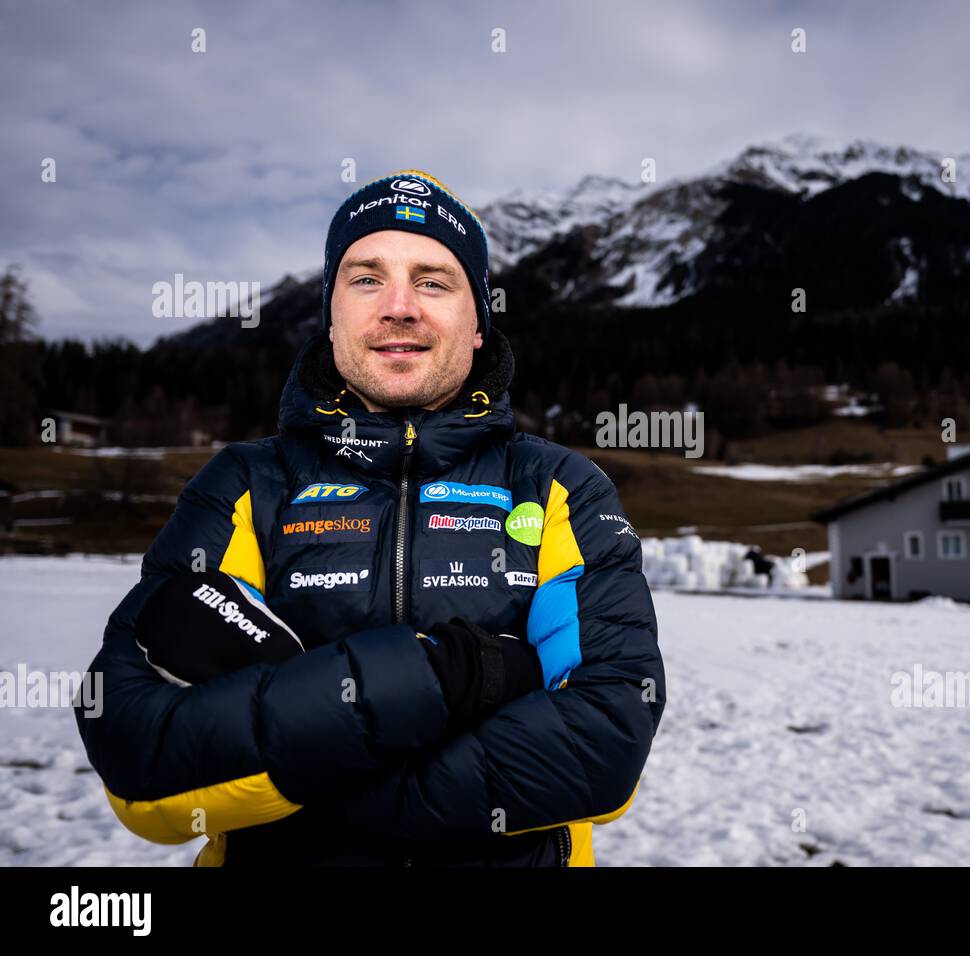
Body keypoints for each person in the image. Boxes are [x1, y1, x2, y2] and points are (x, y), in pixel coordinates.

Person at [74, 169, 667, 867]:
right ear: (330, 321)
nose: (399, 307)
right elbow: (146, 759)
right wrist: (445, 677)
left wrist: (325, 758)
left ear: (478, 326)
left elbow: (603, 742)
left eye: (434, 281)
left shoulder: (562, 487)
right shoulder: (243, 485)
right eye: (365, 279)